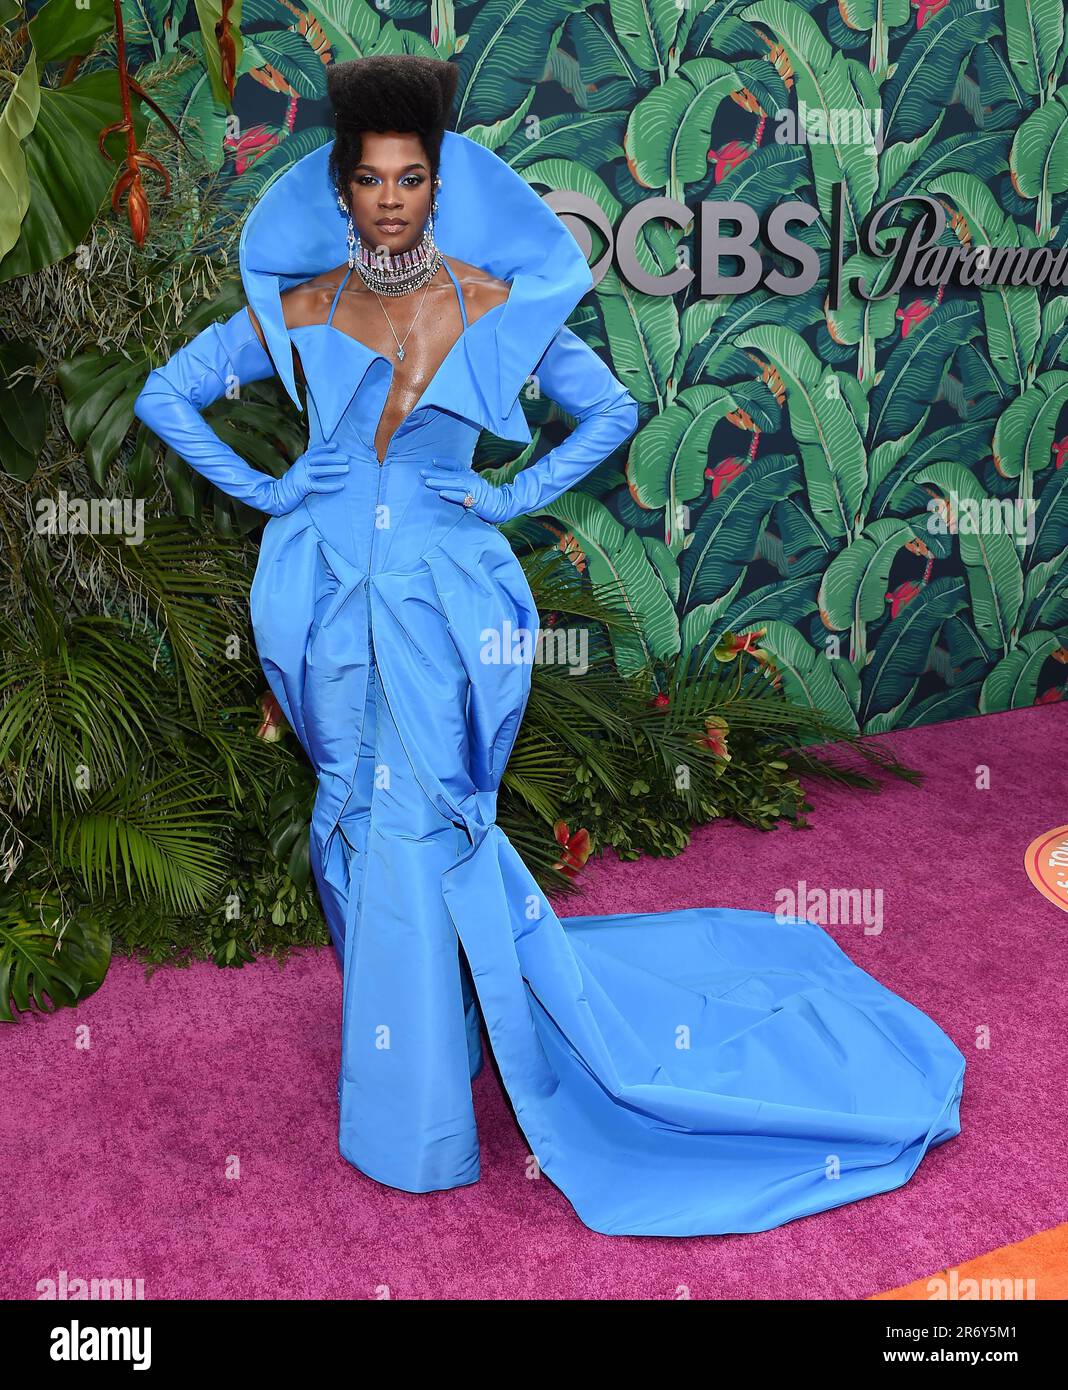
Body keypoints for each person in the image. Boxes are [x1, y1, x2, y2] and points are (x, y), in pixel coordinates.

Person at [134, 54, 965, 1237]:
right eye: (369, 179)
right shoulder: (305, 308)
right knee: (359, 817)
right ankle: (426, 1031)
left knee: (419, 813)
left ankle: (413, 1118)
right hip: (320, 599)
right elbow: (167, 395)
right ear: (340, 187)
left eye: (411, 178)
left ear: (438, 184)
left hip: (435, 609)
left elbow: (615, 410)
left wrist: (509, 498)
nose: (388, 199)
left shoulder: (485, 303)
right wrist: (271, 486)